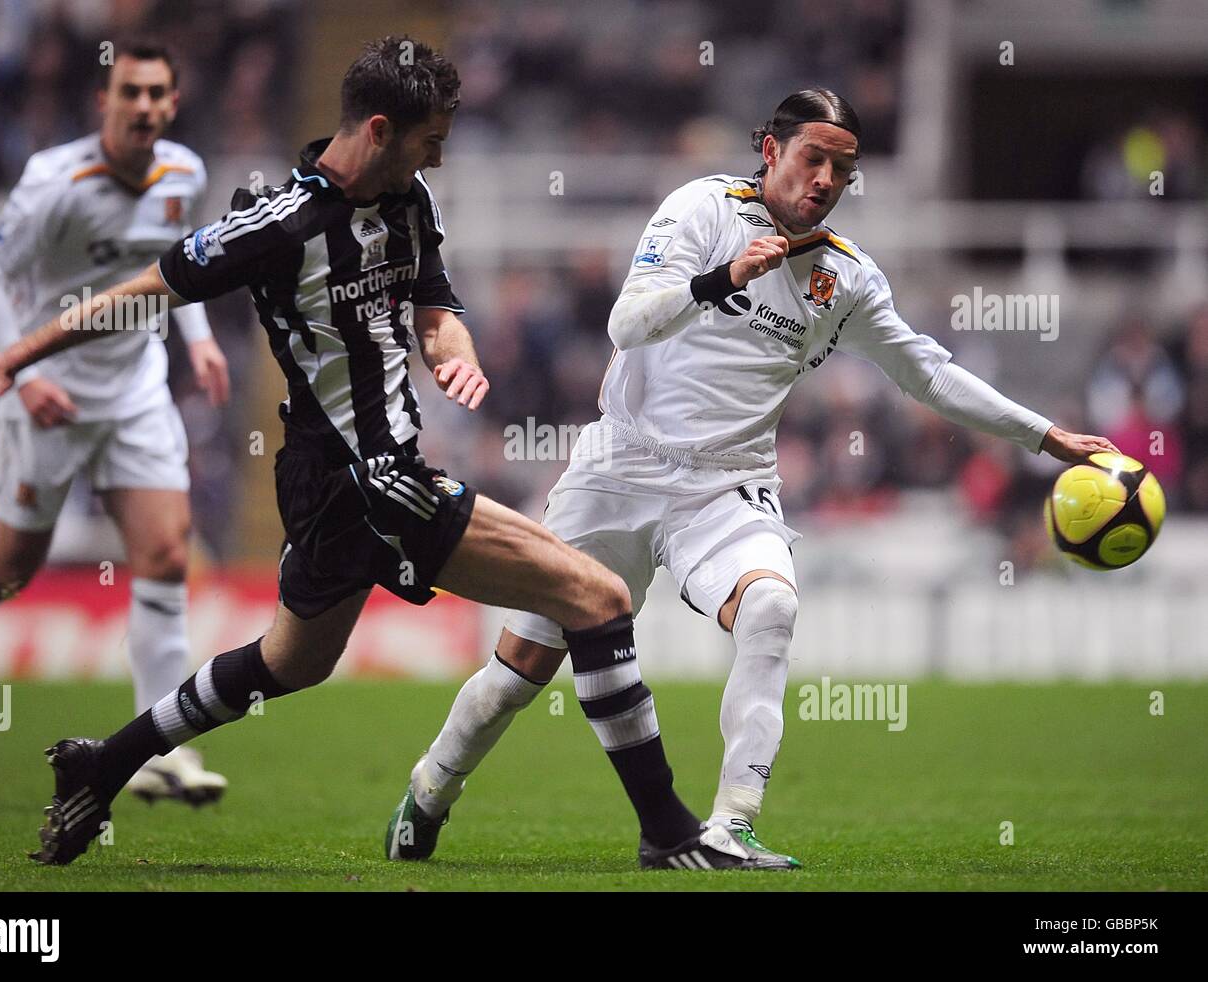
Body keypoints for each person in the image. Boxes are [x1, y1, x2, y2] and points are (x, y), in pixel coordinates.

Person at [0, 36, 768, 872]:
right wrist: (7, 362)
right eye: (429, 141)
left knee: (287, 662)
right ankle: (669, 834)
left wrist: (455, 351)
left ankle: (103, 763)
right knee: (598, 596)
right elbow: (137, 292)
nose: (437, 158)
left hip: (344, 483)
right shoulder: (274, 225)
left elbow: (436, 308)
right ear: (379, 128)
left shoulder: (409, 204)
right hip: (367, 478)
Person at [385, 88, 1119, 869]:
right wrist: (723, 276)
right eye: (814, 158)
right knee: (520, 673)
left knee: (770, 606)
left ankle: (728, 824)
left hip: (726, 485)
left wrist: (1043, 435)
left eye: (844, 167)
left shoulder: (848, 278)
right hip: (618, 467)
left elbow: (928, 374)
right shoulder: (701, 211)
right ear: (770, 151)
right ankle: (429, 789)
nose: (827, 179)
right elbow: (624, 323)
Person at [0, 40, 231, 805]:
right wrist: (21, 381)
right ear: (105, 102)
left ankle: (158, 748)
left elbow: (178, 269)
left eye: (159, 93)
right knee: (5, 571)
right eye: (132, 93)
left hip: (136, 391)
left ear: (173, 103)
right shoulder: (56, 181)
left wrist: (202, 338)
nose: (146, 106)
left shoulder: (185, 173)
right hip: (49, 395)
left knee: (162, 554)